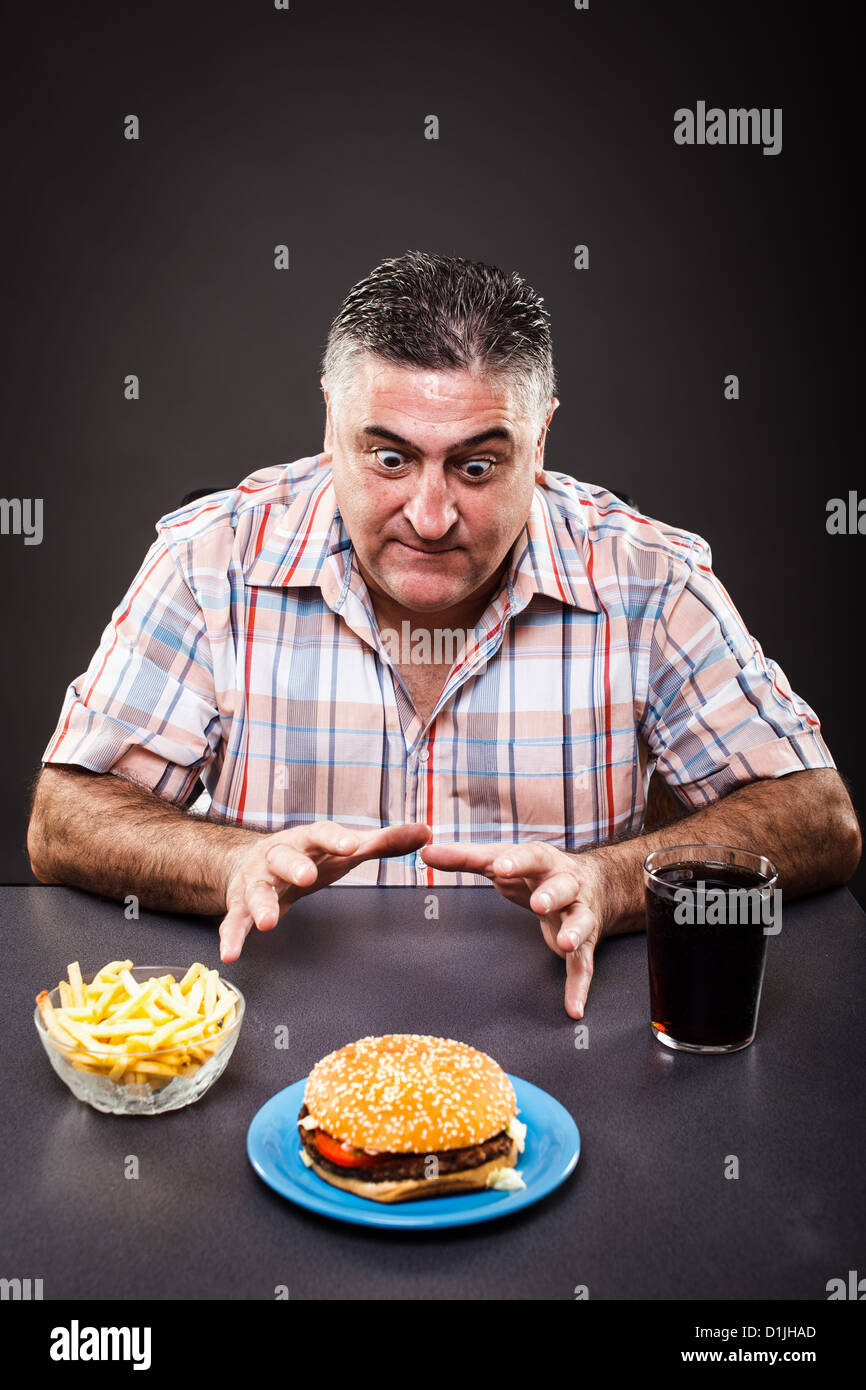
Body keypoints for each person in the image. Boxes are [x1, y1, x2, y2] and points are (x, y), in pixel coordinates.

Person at [27, 252, 861, 1017]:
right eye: (390, 459)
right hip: (272, 1041)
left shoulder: (647, 578)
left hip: (567, 1047)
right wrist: (229, 862)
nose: (429, 518)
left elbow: (819, 820)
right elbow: (63, 820)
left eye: (476, 466)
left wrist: (609, 884)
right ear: (330, 426)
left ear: (540, 444)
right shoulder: (213, 557)